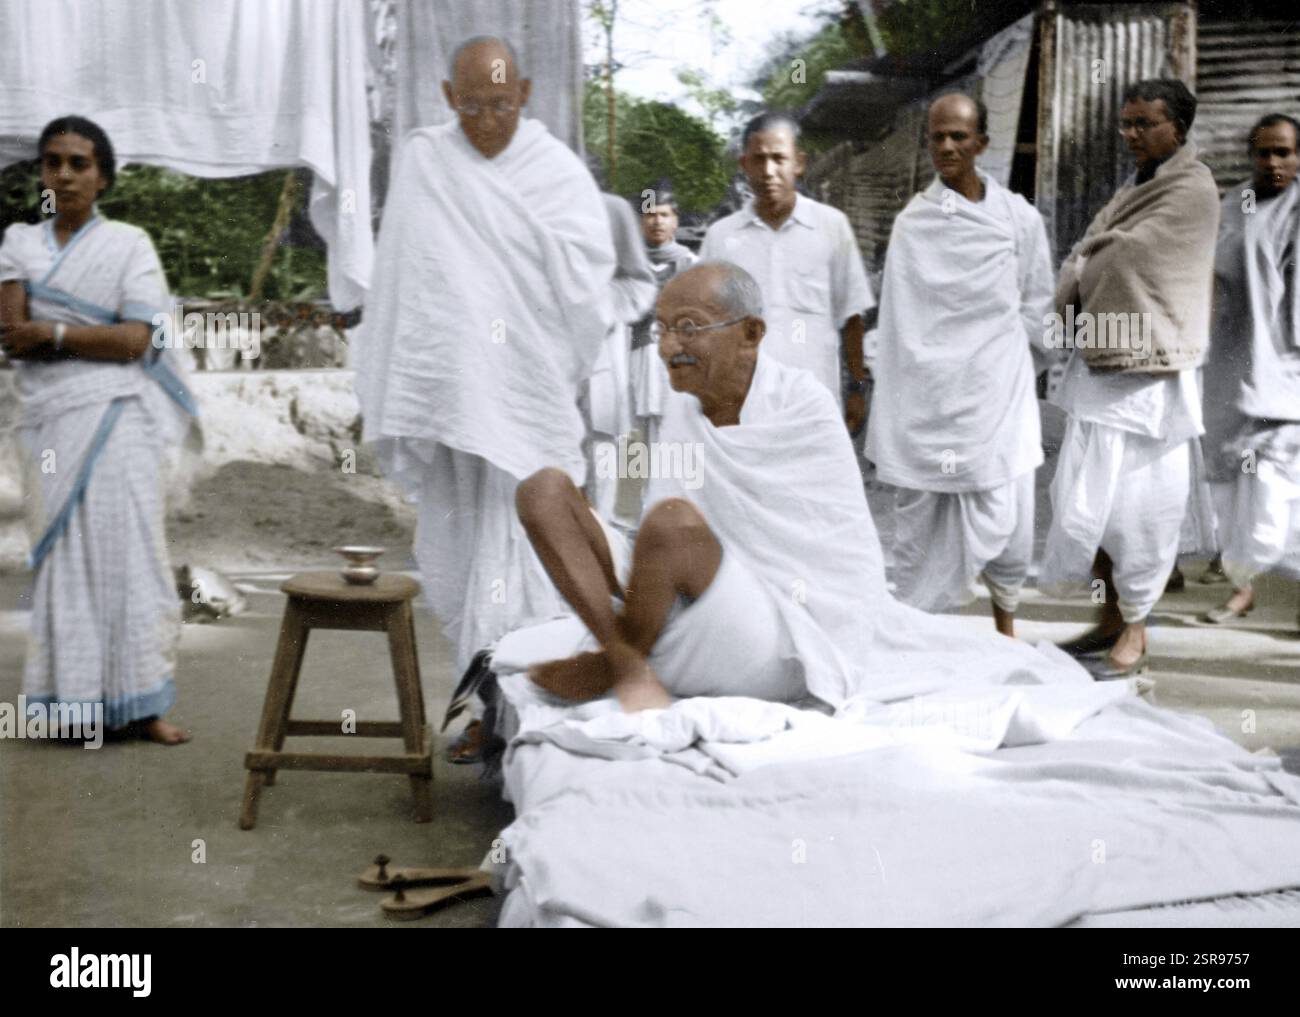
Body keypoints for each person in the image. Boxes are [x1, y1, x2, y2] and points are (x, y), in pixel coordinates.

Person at [354, 36, 615, 695]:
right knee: (467, 544)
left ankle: (531, 699)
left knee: (535, 541)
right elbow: (406, 283)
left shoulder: (556, 171)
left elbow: (588, 285)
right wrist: (449, 366)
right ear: (448, 98)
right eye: (472, 105)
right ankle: (483, 704)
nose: (489, 119)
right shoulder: (426, 160)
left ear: (525, 94)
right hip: (457, 396)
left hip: (529, 394)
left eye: (502, 103)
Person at [0, 116, 198, 744]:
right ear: (41, 173)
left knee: (130, 554)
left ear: (103, 176)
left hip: (119, 417)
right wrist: (91, 338)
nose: (64, 173)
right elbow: (12, 337)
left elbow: (141, 338)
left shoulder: (130, 245)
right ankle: (69, 705)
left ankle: (142, 707)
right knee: (62, 560)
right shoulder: (19, 243)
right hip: (50, 419)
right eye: (53, 161)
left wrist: (56, 332)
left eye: (79, 163)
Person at [1039, 78, 1220, 677]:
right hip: (1102, 373)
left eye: (1145, 123)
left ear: (1179, 128)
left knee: (1139, 509)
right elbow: (1092, 250)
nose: (1132, 135)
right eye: (1127, 123)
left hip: (1151, 378)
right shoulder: (1131, 188)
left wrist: (1091, 256)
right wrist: (1094, 255)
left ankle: (1137, 631)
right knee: (1084, 502)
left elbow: (1127, 259)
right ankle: (1108, 616)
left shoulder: (1193, 188)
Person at [865, 94, 1053, 636]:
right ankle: (915, 633)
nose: (946, 146)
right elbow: (903, 322)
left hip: (996, 393)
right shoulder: (913, 222)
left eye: (959, 137)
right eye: (937, 137)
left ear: (982, 144)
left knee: (1007, 517)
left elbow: (1037, 304)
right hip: (928, 398)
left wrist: (1008, 357)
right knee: (918, 524)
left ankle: (1006, 628)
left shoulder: (1020, 218)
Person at [700, 113, 874, 432]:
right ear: (744, 164)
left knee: (810, 480)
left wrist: (857, 389)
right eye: (759, 159)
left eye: (779, 159)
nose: (769, 171)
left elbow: (852, 317)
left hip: (812, 401)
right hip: (742, 406)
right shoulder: (721, 237)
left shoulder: (831, 227)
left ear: (799, 163)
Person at [1198, 113, 1300, 626]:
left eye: (1284, 152)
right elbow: (1209, 268)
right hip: (1230, 356)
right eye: (1263, 153)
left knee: (1277, 484)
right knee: (1232, 483)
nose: (1273, 162)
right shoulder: (1234, 202)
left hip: (1285, 366)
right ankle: (1244, 588)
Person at [584, 184, 657, 525]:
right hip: (537, 363)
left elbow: (639, 285)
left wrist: (594, 307)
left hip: (606, 354)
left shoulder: (611, 209)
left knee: (617, 442)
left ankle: (620, 533)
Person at [629, 187, 696, 445]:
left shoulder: (691, 264)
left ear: (675, 220)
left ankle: (674, 485)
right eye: (650, 215)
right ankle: (634, 485)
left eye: (664, 215)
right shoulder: (628, 265)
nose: (657, 221)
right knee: (634, 433)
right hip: (634, 357)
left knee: (676, 431)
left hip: (678, 361)